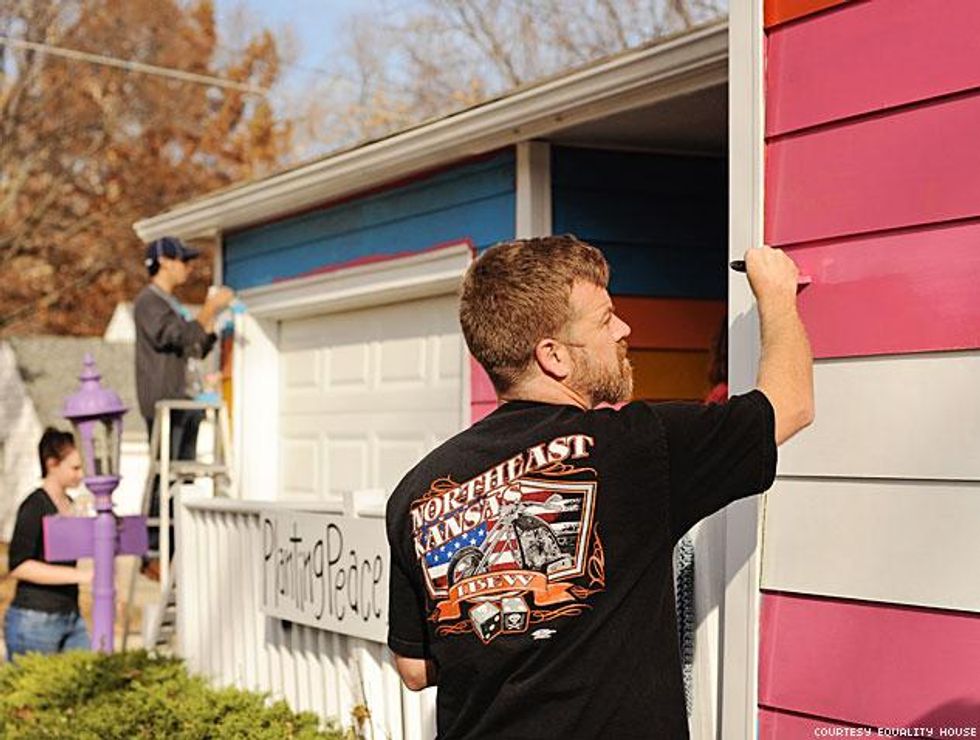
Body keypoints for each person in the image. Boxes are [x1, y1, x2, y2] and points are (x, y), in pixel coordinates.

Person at [385, 235, 813, 738]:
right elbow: (790, 404)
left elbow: (415, 670)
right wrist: (777, 293)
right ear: (554, 356)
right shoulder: (634, 449)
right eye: (606, 319)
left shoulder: (417, 491)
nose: (625, 329)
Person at [134, 236, 234, 578]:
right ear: (164, 261)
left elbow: (195, 345)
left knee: (182, 479)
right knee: (166, 477)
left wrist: (212, 327)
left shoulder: (170, 303)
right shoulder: (148, 302)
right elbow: (178, 337)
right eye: (184, 260)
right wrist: (210, 309)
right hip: (166, 404)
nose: (189, 267)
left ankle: (173, 550)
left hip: (184, 401)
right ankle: (154, 552)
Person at [5, 428, 93, 659]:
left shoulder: (72, 505)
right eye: (75, 468)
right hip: (35, 619)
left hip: (71, 616)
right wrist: (81, 577)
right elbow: (19, 565)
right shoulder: (34, 506)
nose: (81, 475)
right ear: (52, 464)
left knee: (86, 679)